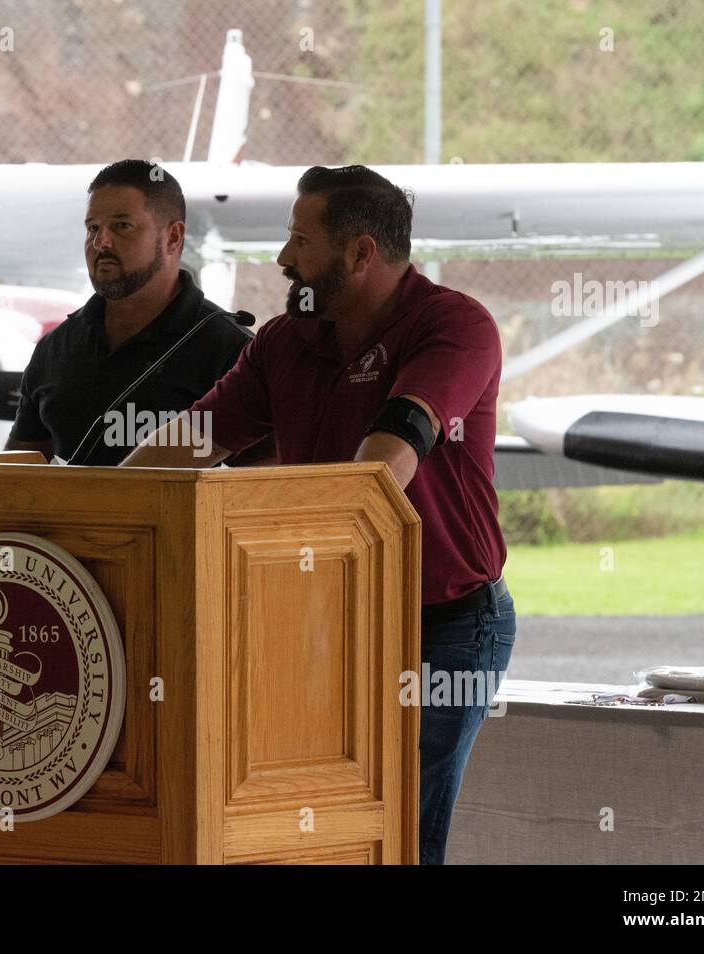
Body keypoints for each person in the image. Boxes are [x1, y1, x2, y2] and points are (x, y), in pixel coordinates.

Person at [119, 164, 514, 865]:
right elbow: (189, 441)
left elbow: (378, 473)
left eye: (300, 242)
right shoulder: (281, 342)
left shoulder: (455, 326)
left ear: (360, 255)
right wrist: (105, 498)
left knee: (397, 832)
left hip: (444, 625)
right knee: (313, 822)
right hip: (325, 614)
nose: (282, 260)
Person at [6, 159, 269, 466]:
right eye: (92, 228)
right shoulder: (56, 346)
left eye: (121, 226)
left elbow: (264, 486)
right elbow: (17, 475)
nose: (100, 242)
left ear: (173, 237)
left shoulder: (234, 352)